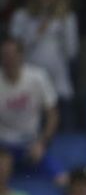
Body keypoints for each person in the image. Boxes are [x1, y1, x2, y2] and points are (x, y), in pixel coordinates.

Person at [0, 37, 62, 181]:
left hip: (32, 142)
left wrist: (42, 142)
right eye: (5, 55)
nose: (9, 59)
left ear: (21, 55)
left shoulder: (38, 77)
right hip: (3, 144)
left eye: (12, 54)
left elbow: (53, 114)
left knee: (61, 178)